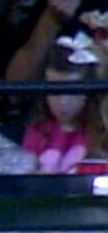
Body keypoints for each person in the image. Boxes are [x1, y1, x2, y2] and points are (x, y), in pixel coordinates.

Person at [22, 38, 106, 173]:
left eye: (72, 92)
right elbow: (26, 176)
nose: (63, 102)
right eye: (54, 92)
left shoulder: (101, 131)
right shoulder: (38, 129)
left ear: (88, 91)